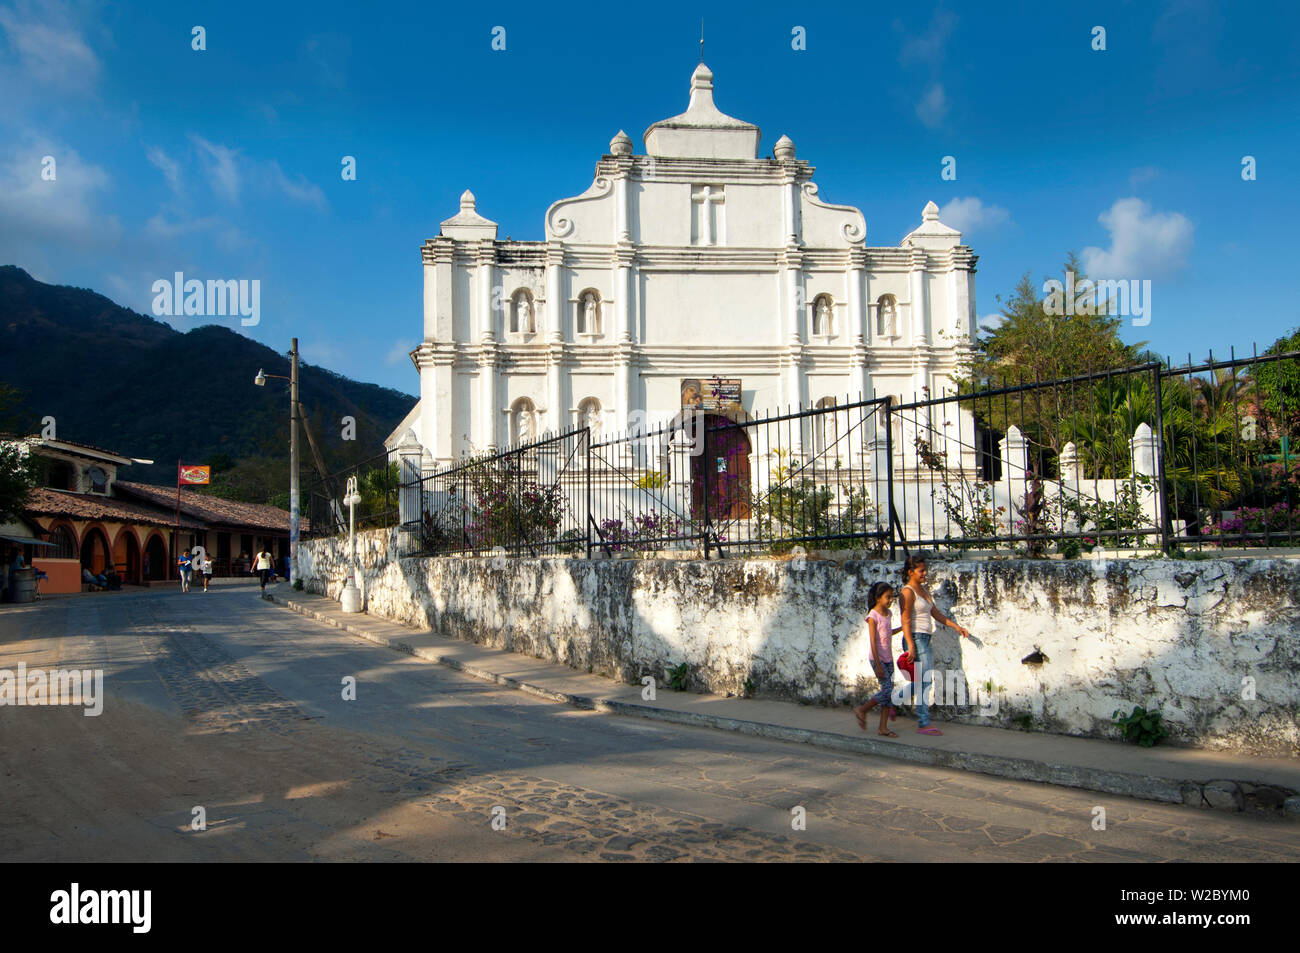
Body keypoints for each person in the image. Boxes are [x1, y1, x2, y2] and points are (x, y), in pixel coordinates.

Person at [899, 554, 972, 736]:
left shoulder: (923, 591)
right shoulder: (907, 592)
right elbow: (905, 620)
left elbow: (936, 613)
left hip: (924, 639)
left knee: (920, 682)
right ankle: (923, 723)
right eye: (921, 570)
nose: (925, 573)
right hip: (915, 639)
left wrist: (956, 626)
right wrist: (911, 646)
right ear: (910, 572)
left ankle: (889, 702)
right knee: (925, 682)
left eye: (925, 570)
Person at [854, 581, 903, 737]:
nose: (890, 600)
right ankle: (862, 709)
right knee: (888, 690)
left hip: (888, 658)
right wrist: (878, 665)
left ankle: (883, 728)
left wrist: (902, 628)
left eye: (891, 597)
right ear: (877, 598)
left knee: (887, 693)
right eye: (887, 597)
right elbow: (873, 642)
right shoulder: (872, 616)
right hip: (878, 659)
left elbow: (887, 633)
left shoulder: (888, 614)